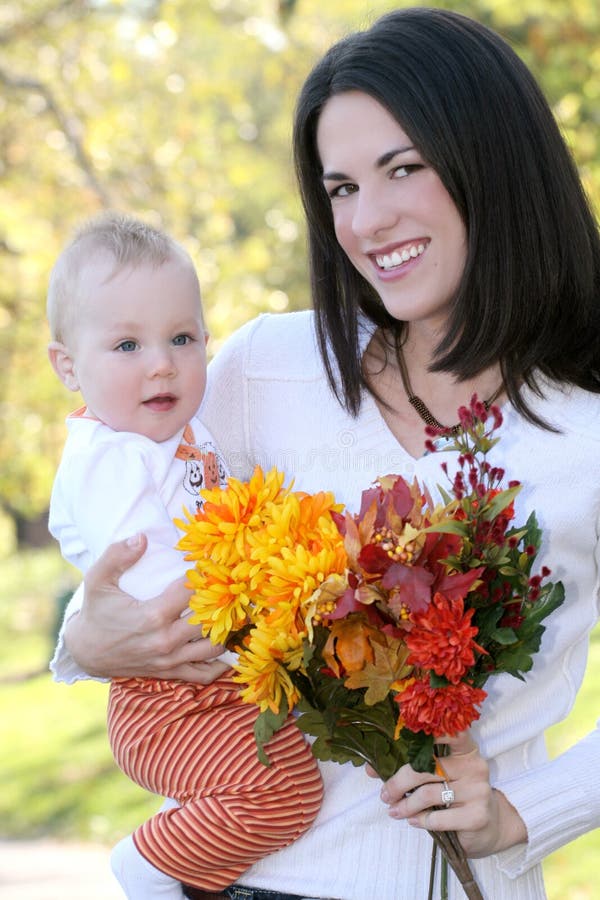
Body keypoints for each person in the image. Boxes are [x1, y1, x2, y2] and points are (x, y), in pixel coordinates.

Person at [51, 8, 600, 900]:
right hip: (241, 883)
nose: (369, 219)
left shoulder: (587, 431)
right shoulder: (263, 366)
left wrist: (526, 813)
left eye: (404, 168)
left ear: (493, 162)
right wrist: (86, 638)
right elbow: (129, 505)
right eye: (340, 187)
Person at [46, 211, 323, 900]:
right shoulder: (109, 461)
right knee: (283, 793)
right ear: (67, 367)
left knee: (284, 781)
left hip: (205, 685)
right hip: (167, 694)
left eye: (181, 337)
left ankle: (184, 858)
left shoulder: (176, 438)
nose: (162, 362)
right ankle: (148, 867)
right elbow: (159, 584)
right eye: (127, 345)